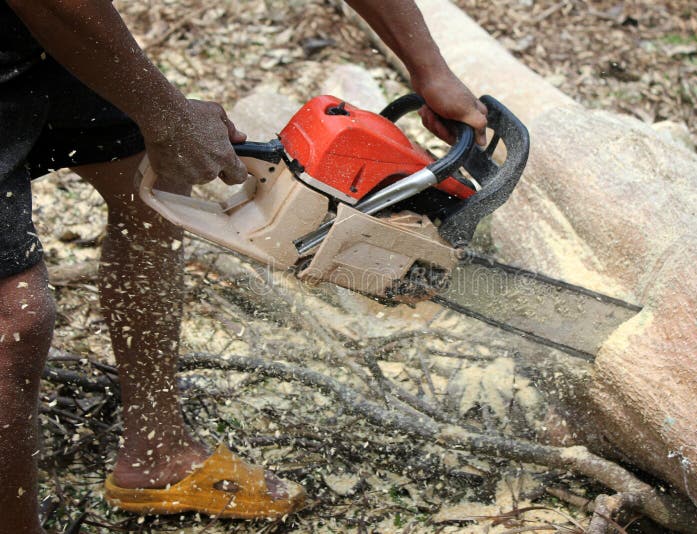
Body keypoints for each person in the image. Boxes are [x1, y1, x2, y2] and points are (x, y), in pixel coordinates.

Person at [0, 0, 488, 531]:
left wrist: (428, 68)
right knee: (16, 316)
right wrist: (166, 112)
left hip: (46, 33)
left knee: (153, 190)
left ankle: (156, 453)